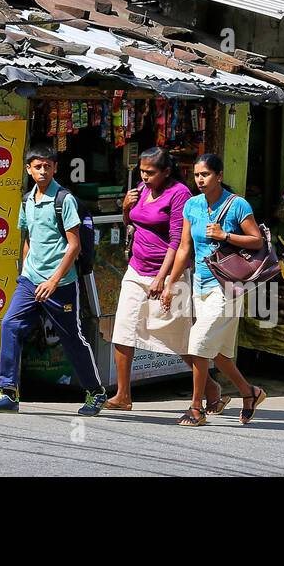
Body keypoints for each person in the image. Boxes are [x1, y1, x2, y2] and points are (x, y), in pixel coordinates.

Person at [0, 145, 107, 415]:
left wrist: (53, 280)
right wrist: (26, 271)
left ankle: (95, 392)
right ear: (28, 169)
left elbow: (74, 246)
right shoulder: (27, 201)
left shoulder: (64, 200)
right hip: (30, 281)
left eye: (47, 166)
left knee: (72, 338)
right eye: (37, 166)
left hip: (60, 284)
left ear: (55, 168)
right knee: (10, 324)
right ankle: (8, 392)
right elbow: (28, 238)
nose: (43, 171)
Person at [165, 153, 268, 427]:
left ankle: (196, 407)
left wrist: (225, 236)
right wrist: (171, 282)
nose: (200, 179)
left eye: (206, 174)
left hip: (228, 287)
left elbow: (257, 241)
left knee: (198, 343)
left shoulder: (237, 206)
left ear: (219, 176)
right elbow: (185, 247)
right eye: (197, 175)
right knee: (220, 354)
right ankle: (250, 393)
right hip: (200, 285)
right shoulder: (192, 205)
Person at [104, 147, 195, 411]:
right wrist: (125, 208)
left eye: (150, 172)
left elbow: (177, 241)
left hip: (167, 275)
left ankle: (211, 389)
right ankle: (123, 395)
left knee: (175, 335)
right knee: (123, 328)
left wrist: (162, 278)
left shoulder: (179, 194)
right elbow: (132, 225)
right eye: (142, 171)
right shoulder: (142, 191)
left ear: (166, 172)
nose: (144, 177)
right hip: (135, 269)